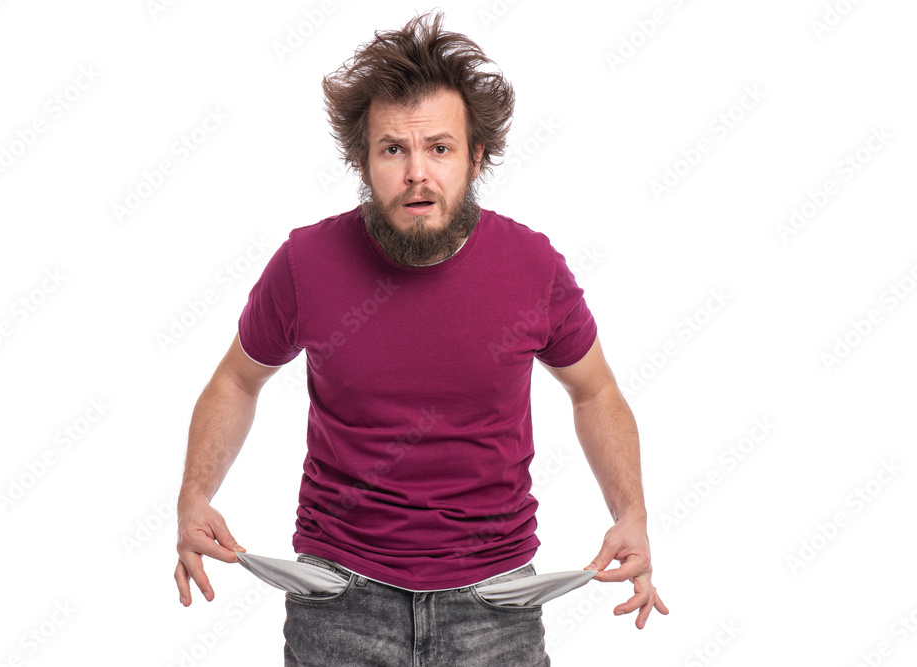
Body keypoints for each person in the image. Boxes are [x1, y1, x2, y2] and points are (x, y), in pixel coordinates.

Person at [174, 10, 668, 665]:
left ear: (475, 157)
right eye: (392, 150)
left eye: (439, 148)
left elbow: (595, 391)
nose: (417, 173)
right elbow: (238, 380)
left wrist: (631, 513)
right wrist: (195, 495)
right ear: (360, 159)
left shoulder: (533, 266)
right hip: (339, 602)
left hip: (495, 606)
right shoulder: (304, 264)